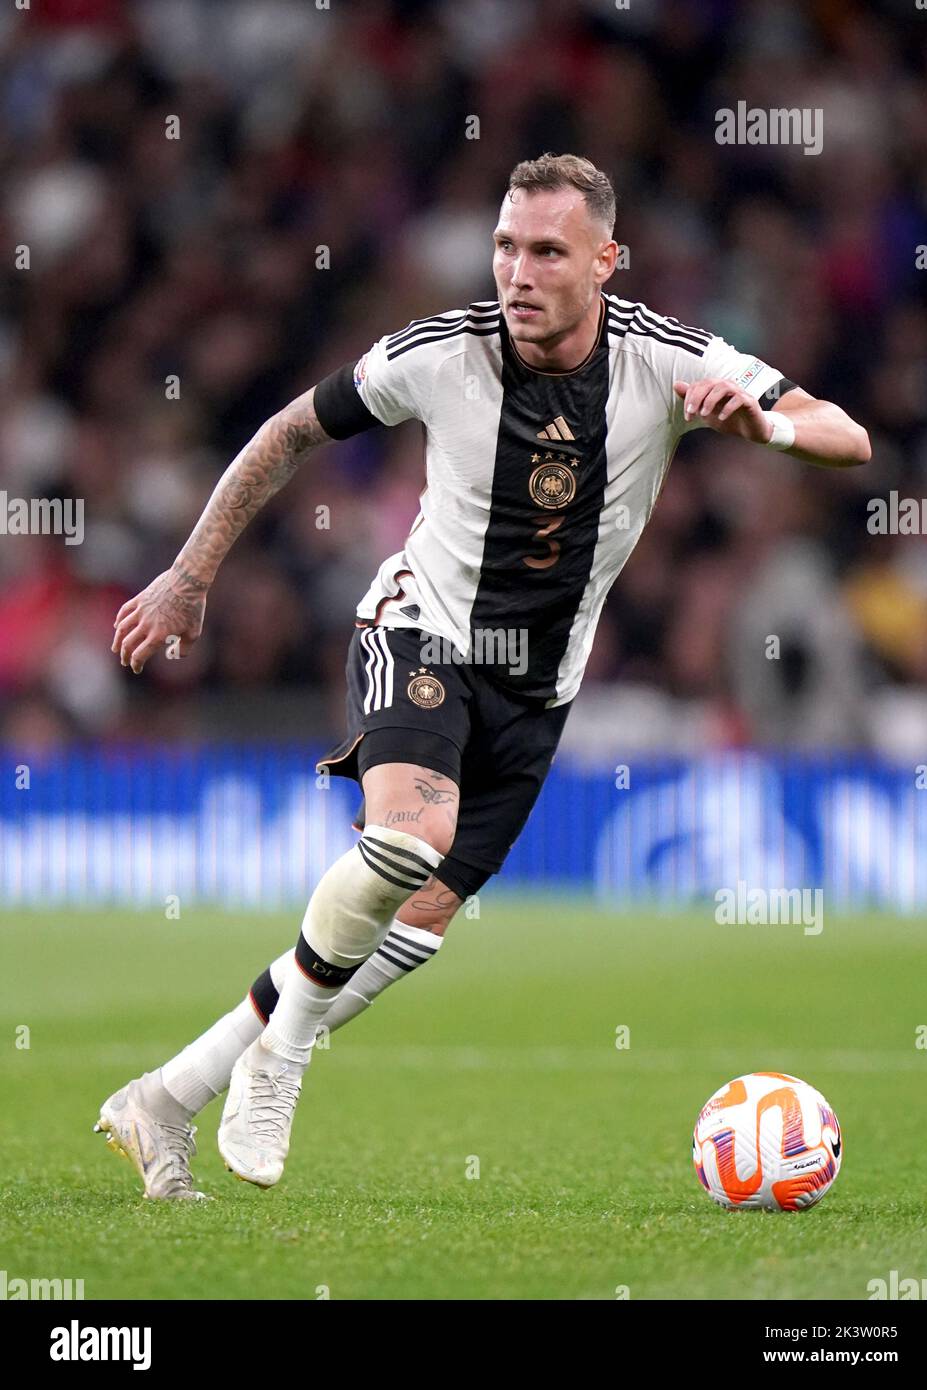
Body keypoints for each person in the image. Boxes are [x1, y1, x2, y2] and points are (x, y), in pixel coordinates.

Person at [98, 152, 871, 1198]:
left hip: (539, 688)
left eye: (546, 250)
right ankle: (279, 1061)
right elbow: (289, 432)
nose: (516, 270)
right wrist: (191, 575)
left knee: (414, 926)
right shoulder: (439, 352)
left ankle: (165, 1098)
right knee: (409, 838)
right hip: (421, 632)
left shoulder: (665, 358)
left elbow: (849, 434)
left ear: (606, 260)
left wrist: (767, 424)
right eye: (505, 245)